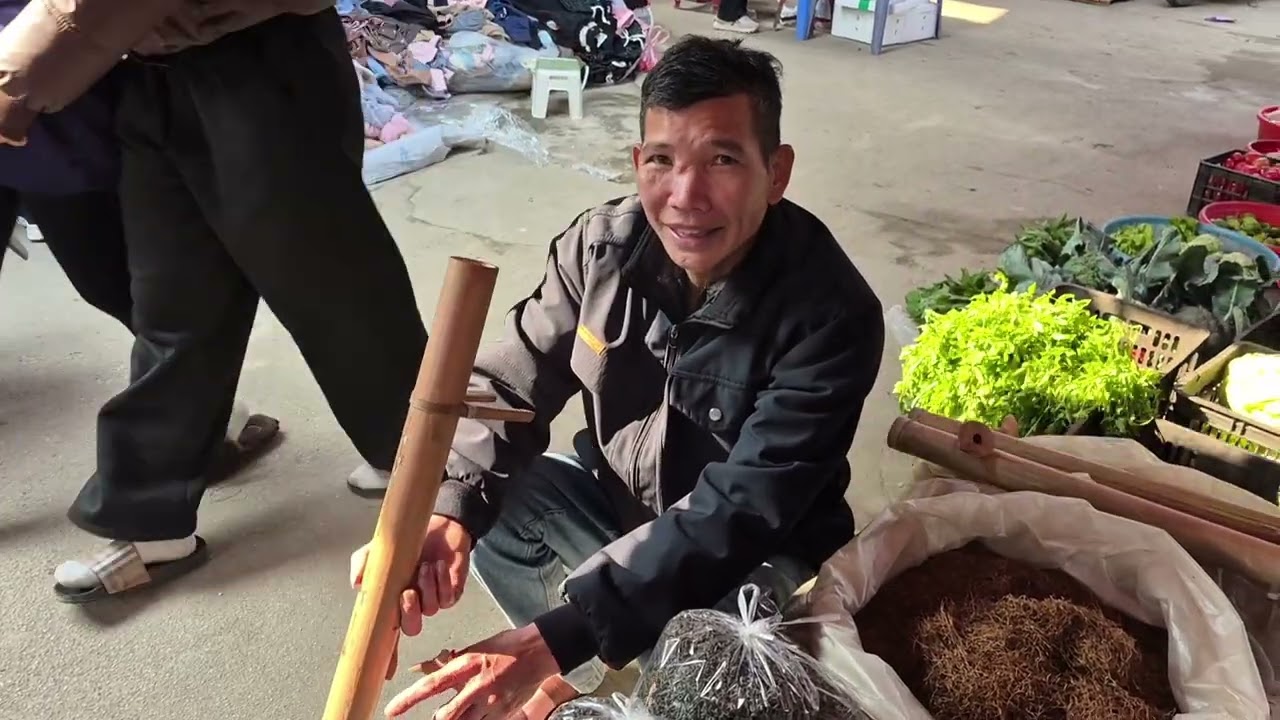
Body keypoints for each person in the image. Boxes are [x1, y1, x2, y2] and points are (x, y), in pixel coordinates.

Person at [350, 36, 885, 720]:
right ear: (637, 164)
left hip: (756, 563)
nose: (685, 196)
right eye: (662, 160)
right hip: (628, 519)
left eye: (722, 159)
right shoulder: (599, 249)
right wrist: (444, 507)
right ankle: (613, 661)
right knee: (500, 495)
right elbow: (508, 386)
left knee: (725, 663)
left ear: (775, 172)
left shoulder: (832, 313)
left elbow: (742, 509)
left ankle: (615, 661)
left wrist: (556, 636)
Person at [0, 0, 429, 603]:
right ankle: (148, 515)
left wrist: (11, 80)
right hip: (149, 67)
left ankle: (423, 455)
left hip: (257, 57)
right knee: (172, 303)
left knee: (331, 285)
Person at [0, 0, 280, 486]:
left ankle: (195, 421)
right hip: (41, 84)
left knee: (119, 280)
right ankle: (195, 424)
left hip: (49, 85)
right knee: (125, 283)